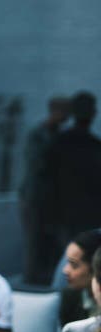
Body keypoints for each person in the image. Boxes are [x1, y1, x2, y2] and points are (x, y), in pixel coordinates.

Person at [19, 96, 71, 285]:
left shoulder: (56, 135)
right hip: (36, 199)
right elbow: (38, 165)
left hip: (52, 200)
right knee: (35, 243)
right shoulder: (39, 135)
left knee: (50, 244)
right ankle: (32, 283)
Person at [45, 91, 101, 249]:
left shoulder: (58, 143)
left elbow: (48, 182)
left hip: (66, 216)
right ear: (93, 114)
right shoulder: (95, 146)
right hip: (87, 216)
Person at [58, 229, 101, 327]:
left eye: (74, 265)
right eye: (67, 262)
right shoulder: (69, 297)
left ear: (94, 268)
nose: (65, 270)